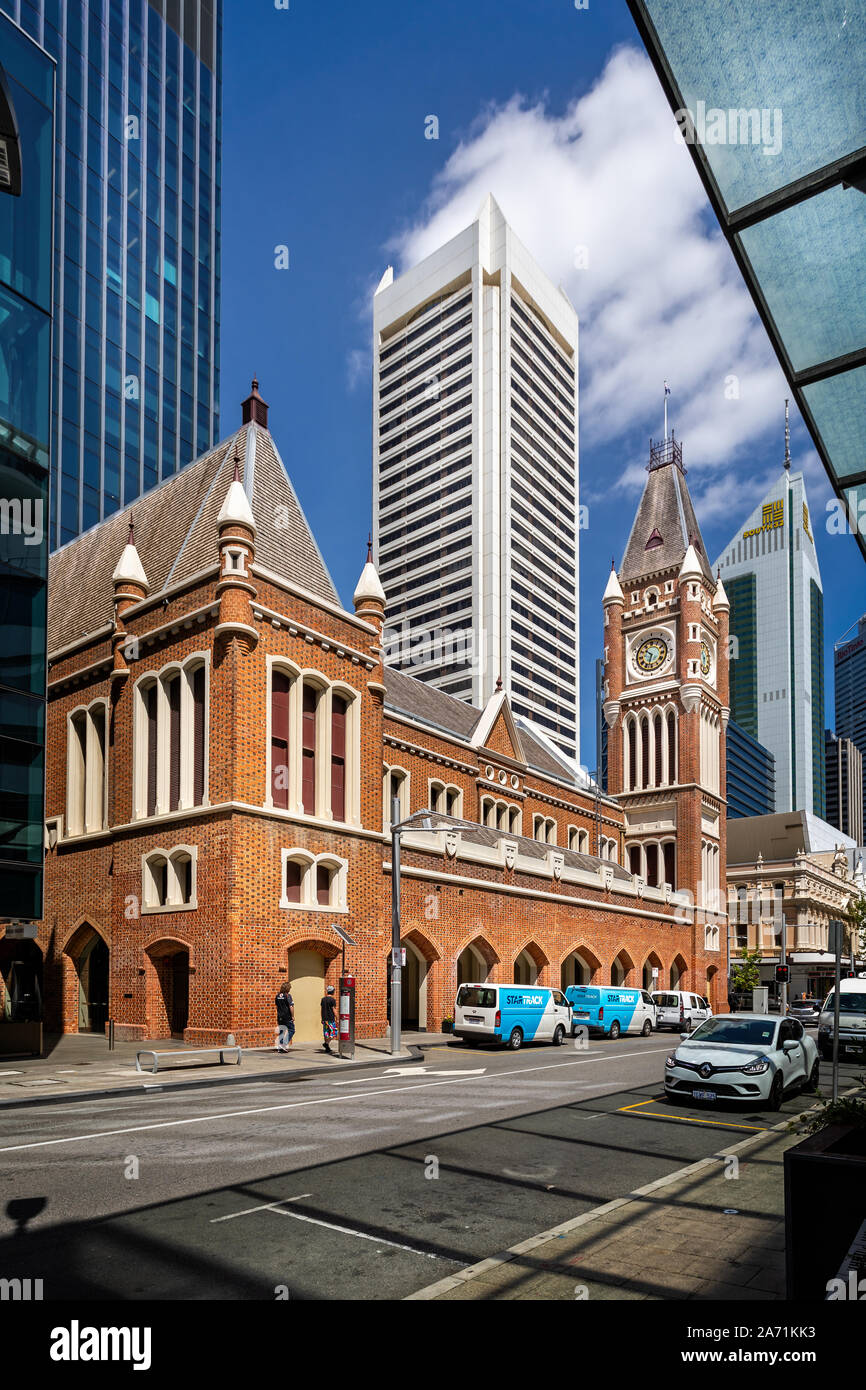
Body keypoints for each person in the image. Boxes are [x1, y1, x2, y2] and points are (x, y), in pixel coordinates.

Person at [275, 981, 294, 1052]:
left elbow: (277, 1006)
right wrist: (292, 1016)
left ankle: (280, 1046)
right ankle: (284, 1044)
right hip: (287, 1016)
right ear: (287, 988)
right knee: (292, 1030)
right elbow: (291, 1006)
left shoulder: (277, 996)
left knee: (282, 1031)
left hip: (280, 1016)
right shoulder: (288, 996)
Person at [321, 984, 337, 1054]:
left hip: (325, 1019)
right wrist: (338, 1018)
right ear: (333, 991)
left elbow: (322, 1009)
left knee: (326, 1033)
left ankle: (327, 1048)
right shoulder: (332, 1000)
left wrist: (322, 1018)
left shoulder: (323, 999)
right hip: (331, 1019)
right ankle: (326, 1044)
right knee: (334, 1032)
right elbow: (334, 1009)